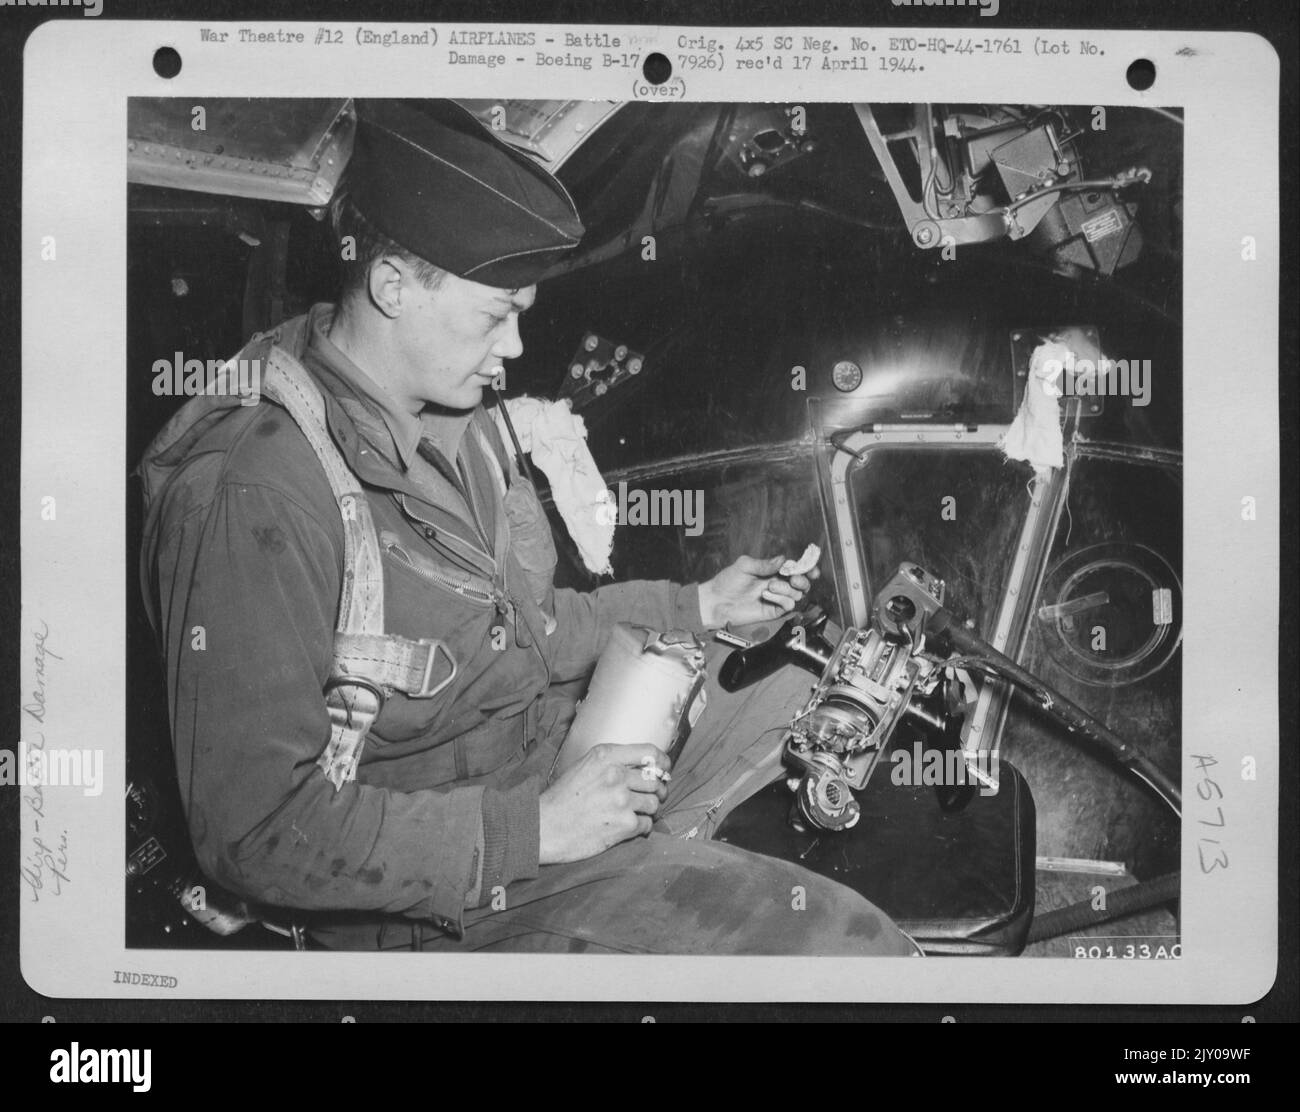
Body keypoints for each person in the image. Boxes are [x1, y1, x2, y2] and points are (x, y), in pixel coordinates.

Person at [138, 99, 917, 955]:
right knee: (854, 953)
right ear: (393, 286)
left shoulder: (452, 422)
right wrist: (536, 831)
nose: (514, 348)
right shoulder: (255, 492)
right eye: (494, 315)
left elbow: (531, 632)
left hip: (538, 767)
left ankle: (664, 875)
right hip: (434, 897)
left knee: (812, 695)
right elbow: (255, 834)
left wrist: (698, 606)